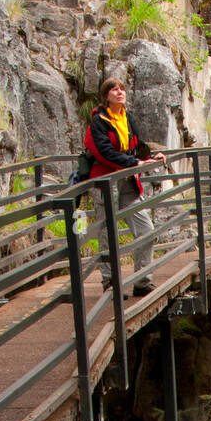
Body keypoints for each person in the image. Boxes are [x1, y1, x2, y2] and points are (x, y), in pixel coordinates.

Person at [85, 78, 166, 297]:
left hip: (128, 180)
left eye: (121, 89)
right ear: (106, 96)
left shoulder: (127, 117)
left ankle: (142, 280)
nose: (120, 92)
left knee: (145, 229)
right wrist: (135, 163)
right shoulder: (99, 121)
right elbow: (104, 152)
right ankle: (110, 283)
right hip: (106, 181)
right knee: (107, 233)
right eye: (114, 89)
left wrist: (149, 156)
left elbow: (137, 145)